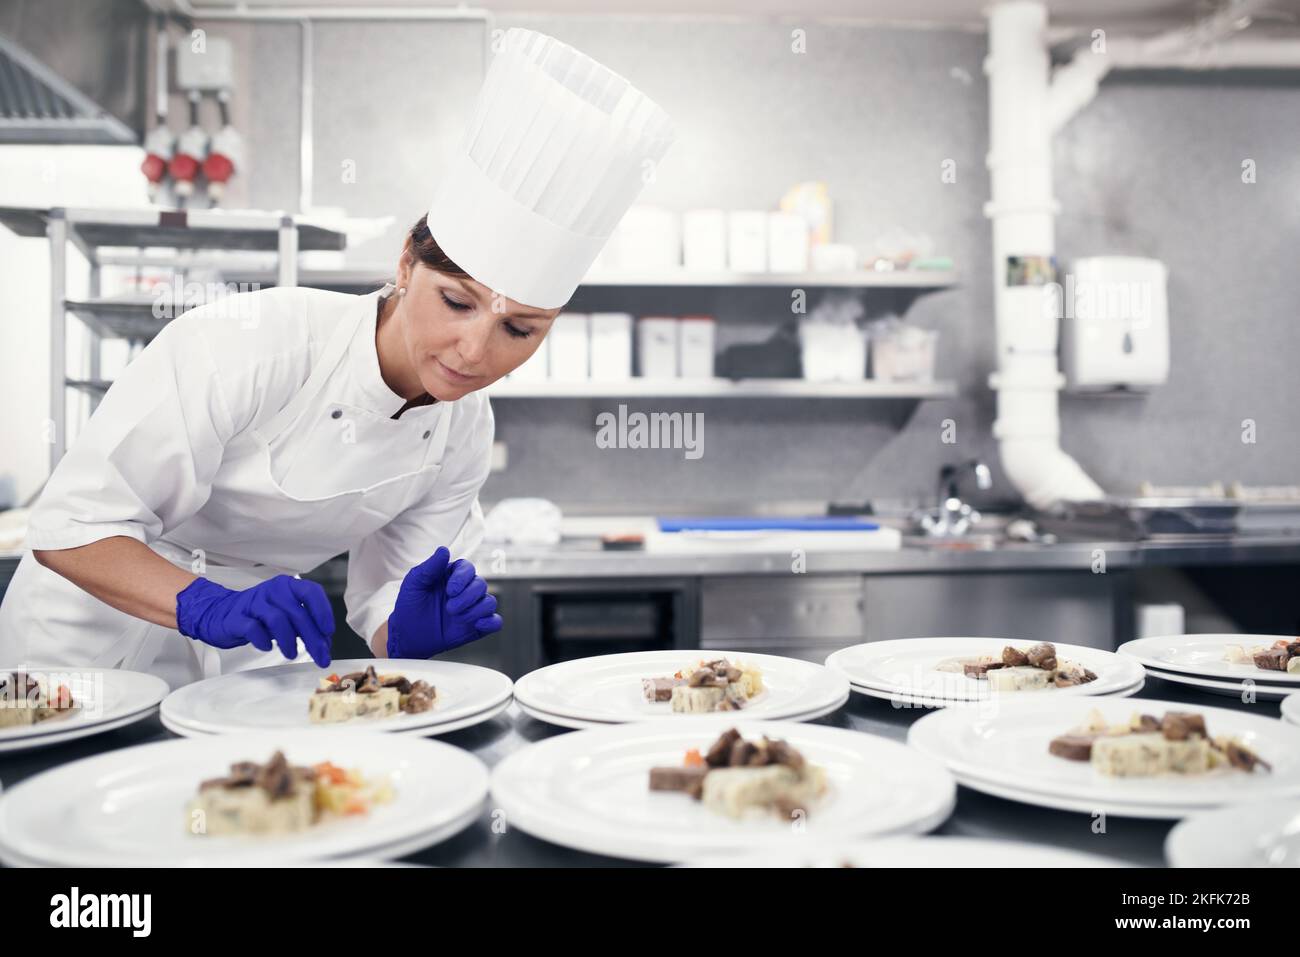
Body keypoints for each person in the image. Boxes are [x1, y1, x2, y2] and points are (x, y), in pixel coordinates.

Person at [0, 28, 675, 688]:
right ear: (406, 264)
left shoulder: (462, 430)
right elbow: (71, 525)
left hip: (245, 660)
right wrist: (204, 603)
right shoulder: (259, 342)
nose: (475, 352)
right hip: (81, 649)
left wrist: (410, 630)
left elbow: (385, 602)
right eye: (457, 302)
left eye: (520, 330)